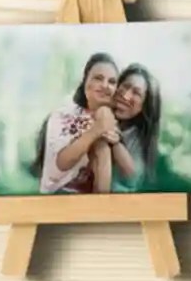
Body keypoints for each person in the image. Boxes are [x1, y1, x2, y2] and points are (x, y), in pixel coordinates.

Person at [30, 52, 121, 194]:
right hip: (58, 198)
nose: (105, 86)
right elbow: (60, 165)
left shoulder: (117, 121)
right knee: (100, 146)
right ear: (85, 82)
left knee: (102, 147)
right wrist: (96, 130)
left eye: (112, 82)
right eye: (98, 78)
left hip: (97, 203)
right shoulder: (63, 114)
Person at [108, 63, 163, 192]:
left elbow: (131, 176)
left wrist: (115, 142)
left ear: (144, 106)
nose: (126, 96)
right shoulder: (98, 114)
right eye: (125, 86)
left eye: (136, 93)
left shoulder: (139, 139)